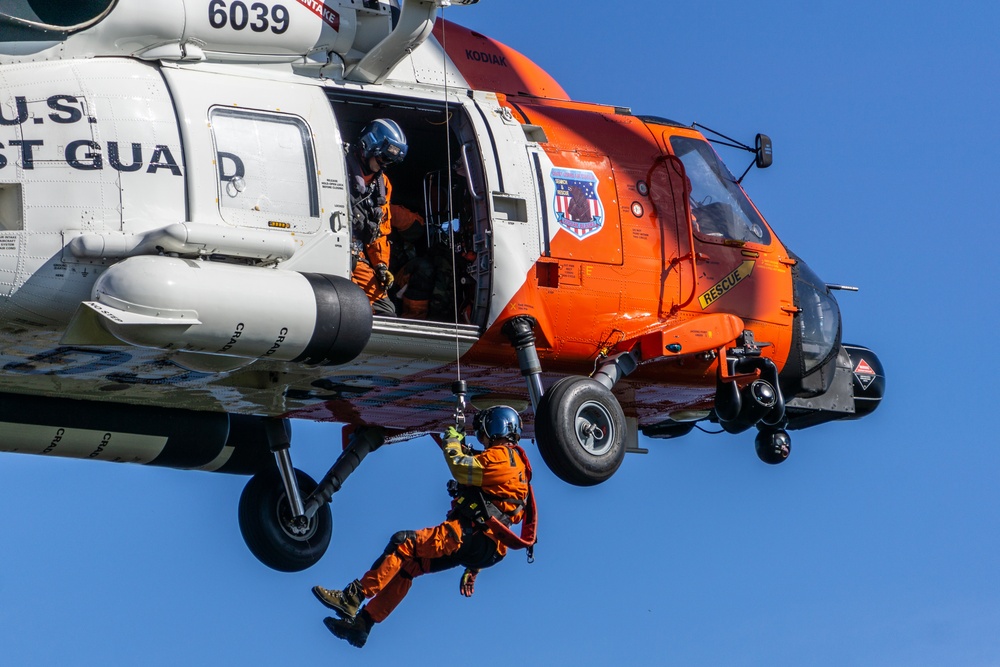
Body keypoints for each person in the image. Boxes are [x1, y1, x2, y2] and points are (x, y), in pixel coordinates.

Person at [311, 406, 536, 648]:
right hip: (485, 547)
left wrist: (452, 439)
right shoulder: (515, 465)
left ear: (496, 427)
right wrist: (474, 567)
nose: (481, 435)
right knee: (410, 566)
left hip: (469, 536)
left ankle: (352, 597)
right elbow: (498, 512)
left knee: (403, 542)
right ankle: (363, 625)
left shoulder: (501, 456)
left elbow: (460, 467)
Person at [347, 118, 408, 316]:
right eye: (382, 158)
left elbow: (380, 231)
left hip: (358, 257)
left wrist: (381, 266)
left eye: (389, 161)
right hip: (332, 252)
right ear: (368, 147)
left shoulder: (383, 185)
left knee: (386, 311)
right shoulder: (338, 168)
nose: (385, 165)